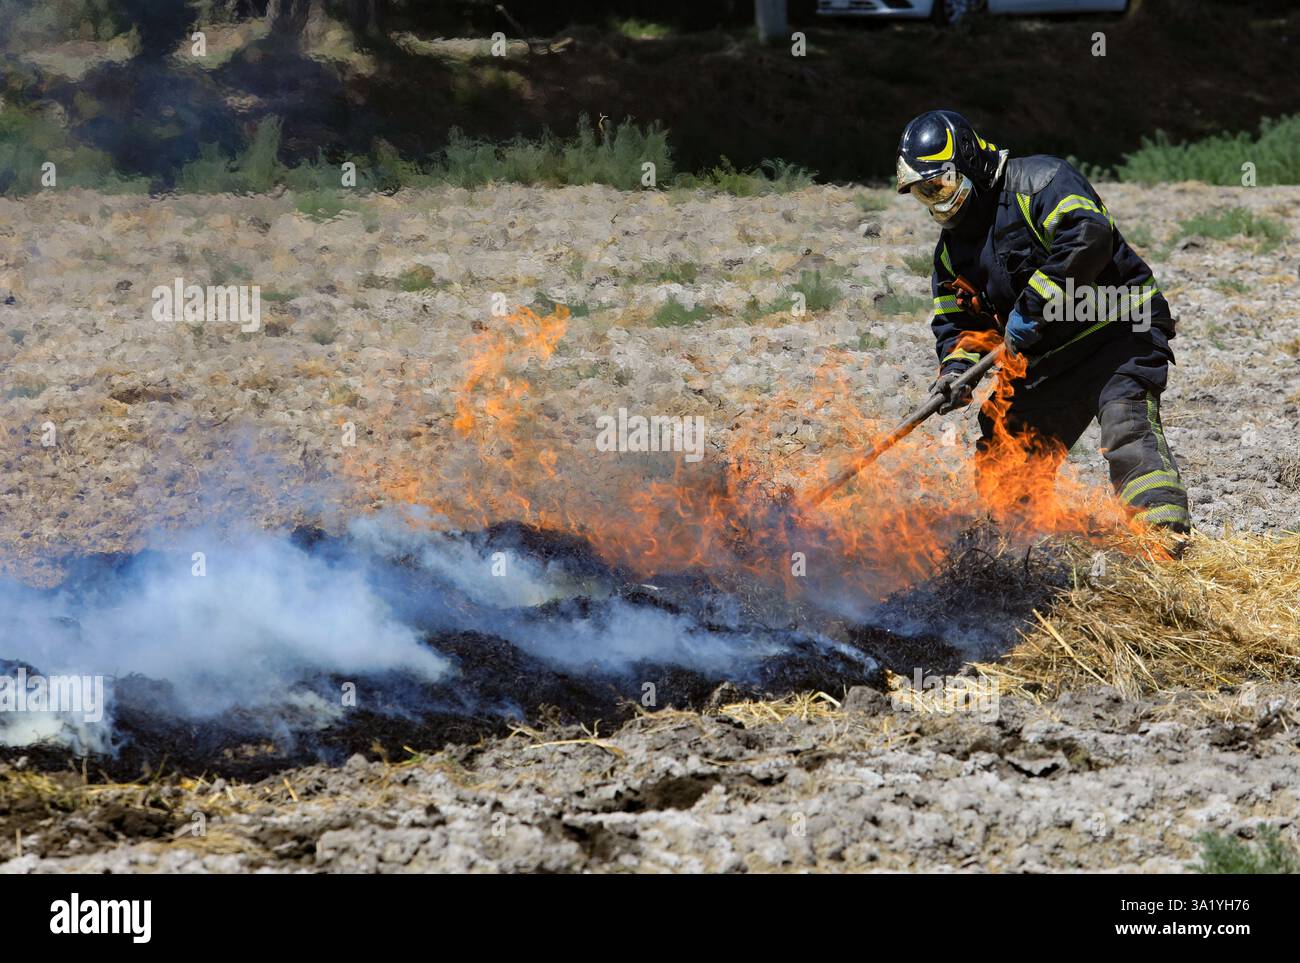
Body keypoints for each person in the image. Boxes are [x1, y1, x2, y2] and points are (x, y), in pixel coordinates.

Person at [895, 109, 1191, 540]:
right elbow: (958, 324)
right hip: (1046, 361)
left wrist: (1032, 306)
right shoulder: (949, 255)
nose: (937, 201)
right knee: (1004, 455)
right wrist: (955, 372)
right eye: (923, 194)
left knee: (1127, 429)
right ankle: (1031, 557)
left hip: (1117, 331)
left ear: (970, 164)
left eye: (939, 184)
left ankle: (1167, 547)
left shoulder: (1041, 181)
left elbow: (1088, 236)